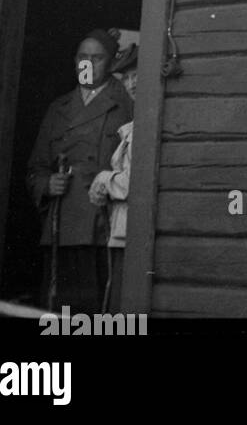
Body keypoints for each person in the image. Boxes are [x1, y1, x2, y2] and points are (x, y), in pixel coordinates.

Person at [26, 29, 133, 312]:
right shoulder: (58, 108)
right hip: (61, 224)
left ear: (110, 63)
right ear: (75, 62)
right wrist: (47, 184)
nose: (88, 64)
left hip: (102, 226)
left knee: (95, 309)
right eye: (82, 57)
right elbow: (36, 167)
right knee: (59, 309)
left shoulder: (127, 106)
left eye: (97, 58)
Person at [89, 40, 137, 311]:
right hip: (121, 231)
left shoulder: (144, 127)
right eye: (127, 77)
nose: (131, 84)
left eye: (137, 75)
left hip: (131, 232)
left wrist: (103, 180)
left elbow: (134, 183)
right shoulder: (132, 126)